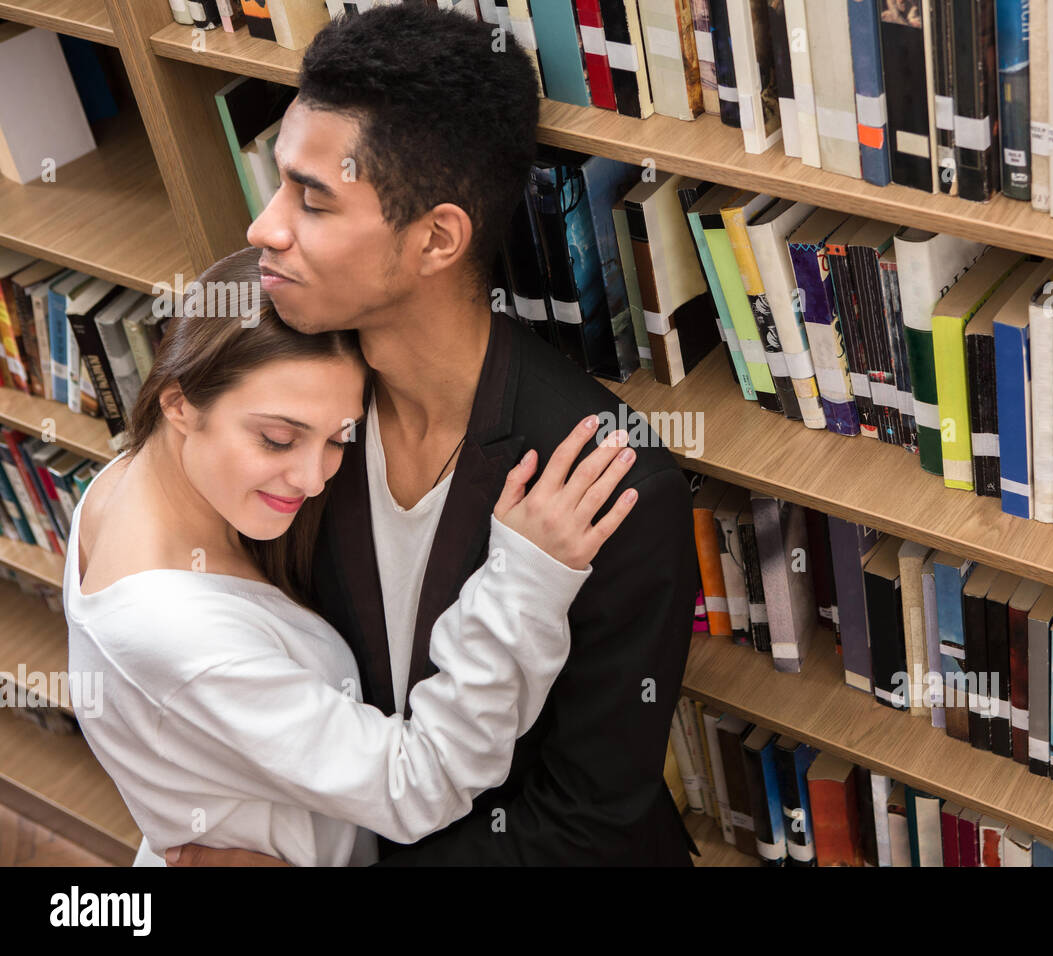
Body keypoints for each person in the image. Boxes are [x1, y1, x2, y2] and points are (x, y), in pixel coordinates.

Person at [168, 2, 698, 866]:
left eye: (313, 201)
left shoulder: (612, 480)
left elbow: (586, 825)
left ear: (437, 239)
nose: (264, 228)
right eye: (278, 186)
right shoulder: (284, 403)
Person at [68, 246, 641, 867]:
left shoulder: (127, 481)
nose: (313, 479)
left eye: (341, 437)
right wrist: (524, 580)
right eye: (279, 438)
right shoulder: (176, 633)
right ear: (180, 403)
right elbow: (419, 785)